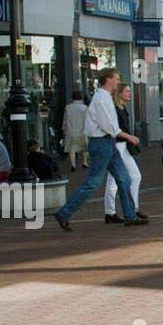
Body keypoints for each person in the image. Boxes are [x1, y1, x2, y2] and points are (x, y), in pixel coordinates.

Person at [53, 69, 144, 231]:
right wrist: (129, 137)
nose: (117, 81)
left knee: (124, 179)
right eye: (116, 78)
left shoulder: (104, 98)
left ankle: (130, 215)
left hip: (107, 143)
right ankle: (64, 212)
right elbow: (109, 126)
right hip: (102, 143)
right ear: (108, 80)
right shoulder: (101, 99)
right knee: (94, 182)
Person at [103, 82, 148, 223]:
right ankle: (110, 211)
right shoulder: (115, 109)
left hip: (124, 146)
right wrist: (130, 137)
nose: (130, 93)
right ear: (120, 93)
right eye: (127, 91)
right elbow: (114, 129)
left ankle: (132, 207)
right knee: (113, 180)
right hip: (116, 146)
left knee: (135, 176)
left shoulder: (123, 108)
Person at [60, 89, 89, 172]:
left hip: (71, 131)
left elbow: (65, 119)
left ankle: (73, 165)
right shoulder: (85, 108)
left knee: (71, 149)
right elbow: (87, 120)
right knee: (84, 148)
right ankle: (85, 162)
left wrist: (64, 129)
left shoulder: (68, 107)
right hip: (82, 131)